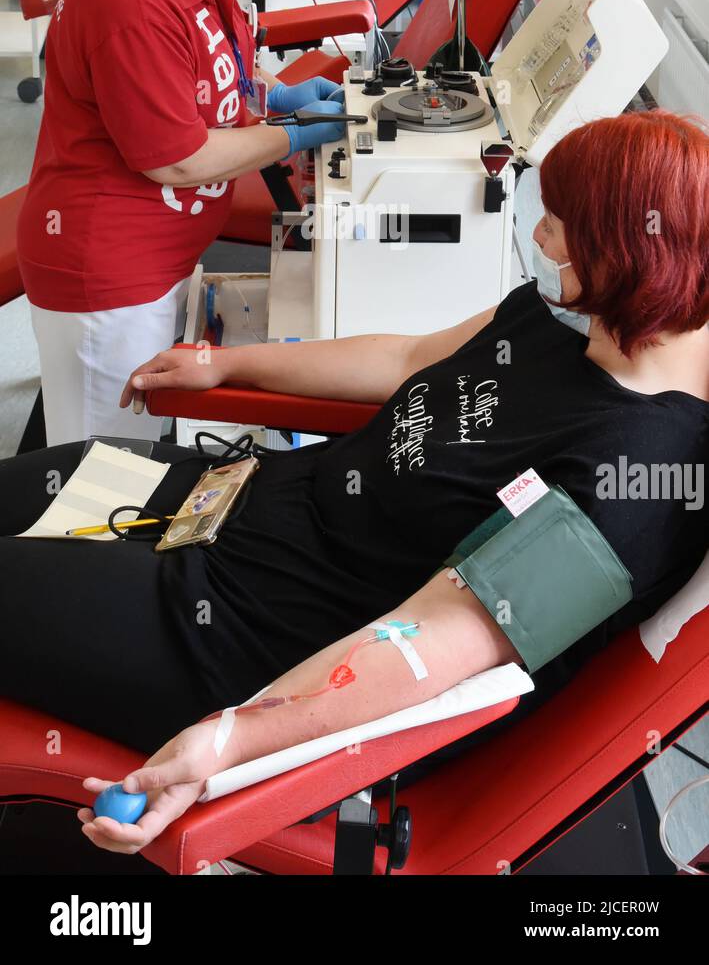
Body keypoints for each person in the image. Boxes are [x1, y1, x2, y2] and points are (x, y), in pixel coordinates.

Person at [1, 111, 706, 855]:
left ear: (628, 254)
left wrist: (231, 739)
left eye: (558, 227)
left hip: (243, 631)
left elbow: (433, 641)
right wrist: (229, 364)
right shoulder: (571, 316)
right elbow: (408, 359)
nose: (539, 236)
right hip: (227, 497)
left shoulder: (632, 480)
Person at [15, 0, 345, 446]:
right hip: (107, 275)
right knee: (104, 477)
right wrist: (290, 134)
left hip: (158, 258)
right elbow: (178, 159)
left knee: (137, 459)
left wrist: (269, 93)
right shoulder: (130, 1)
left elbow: (217, 59)